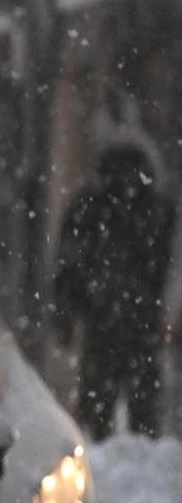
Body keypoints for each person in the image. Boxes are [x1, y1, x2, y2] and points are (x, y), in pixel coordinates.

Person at [53, 139, 177, 439]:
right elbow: (69, 264)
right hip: (105, 321)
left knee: (139, 411)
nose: (127, 179)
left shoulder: (156, 211)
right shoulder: (93, 209)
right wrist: (66, 314)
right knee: (101, 409)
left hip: (137, 323)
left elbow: (167, 268)